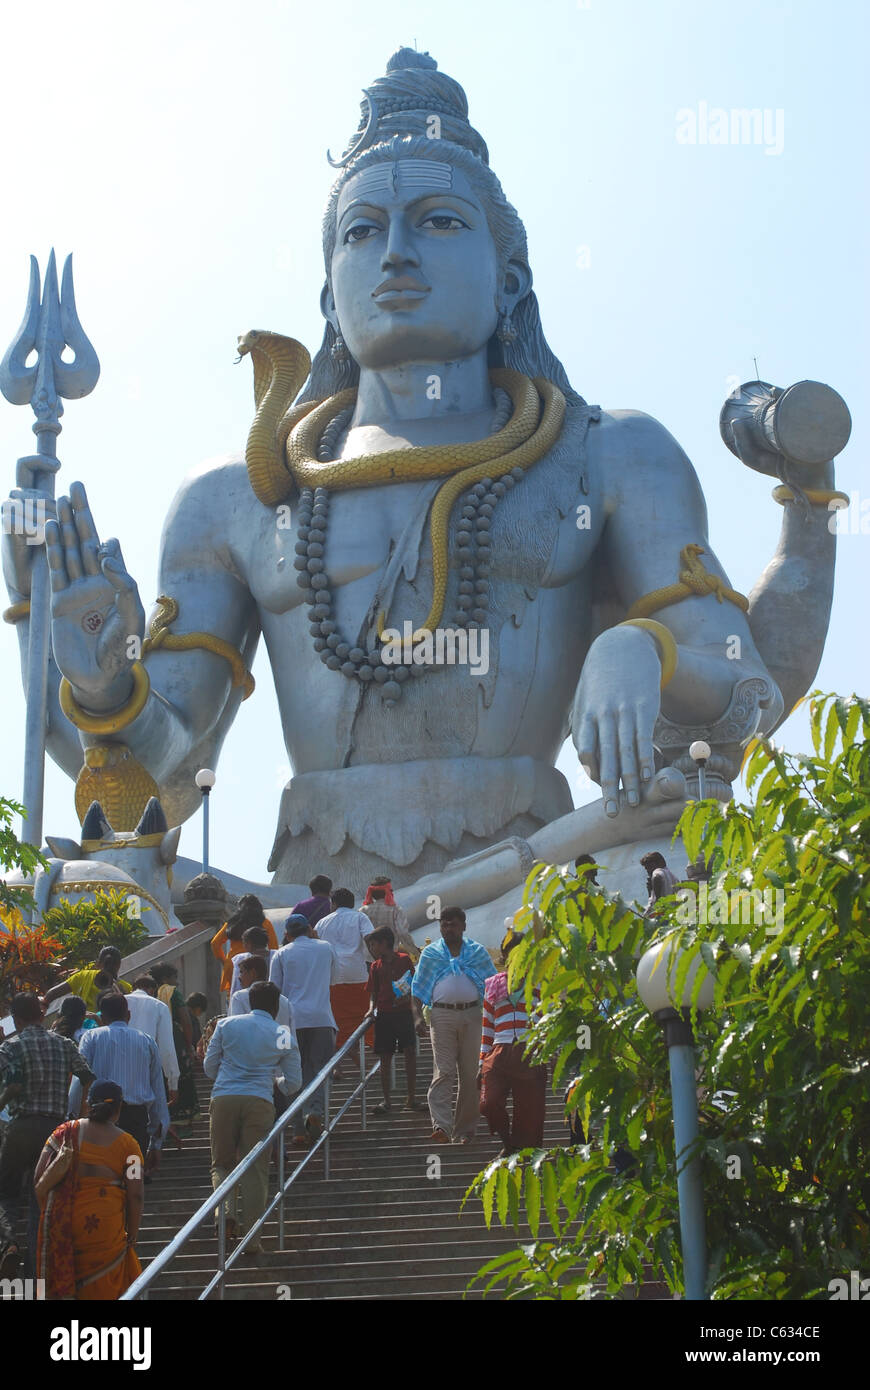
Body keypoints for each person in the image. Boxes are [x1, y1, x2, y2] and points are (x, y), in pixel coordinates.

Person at [0, 992, 95, 1278]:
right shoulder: (64, 1044)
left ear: (15, 1018)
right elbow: (87, 1076)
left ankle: (8, 1243)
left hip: (21, 1127)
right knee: (42, 1200)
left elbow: (14, 1086)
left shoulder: (10, 1047)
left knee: (5, 1194)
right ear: (43, 1015)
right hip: (55, 1132)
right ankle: (34, 1273)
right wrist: (80, 1114)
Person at [203, 981, 301, 1250]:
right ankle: (252, 1239)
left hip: (224, 1096)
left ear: (250, 1001)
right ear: (277, 1005)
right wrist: (275, 1082)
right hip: (260, 1099)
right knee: (256, 1170)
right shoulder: (281, 1032)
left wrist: (226, 1076)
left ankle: (225, 1214)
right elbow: (293, 1082)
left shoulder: (227, 1025)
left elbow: (209, 1067)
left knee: (222, 1164)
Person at [33, 1079, 144, 1300]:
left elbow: (39, 1178)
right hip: (105, 1230)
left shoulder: (64, 1132)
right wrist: (131, 1234)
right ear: (119, 1107)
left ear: (87, 1103)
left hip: (63, 1224)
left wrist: (56, 1212)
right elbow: (136, 1194)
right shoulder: (129, 1145)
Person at [411, 907, 497, 1144]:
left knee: (471, 1075)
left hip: (473, 1015)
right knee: (444, 1070)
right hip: (442, 1016)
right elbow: (417, 989)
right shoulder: (431, 954)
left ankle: (465, 1131)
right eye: (444, 925)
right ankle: (441, 1126)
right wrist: (418, 1018)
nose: (448, 929)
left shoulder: (477, 952)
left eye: (453, 925)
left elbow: (493, 988)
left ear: (464, 927)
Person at [77, 994, 170, 1170]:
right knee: (133, 1176)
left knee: (102, 1176)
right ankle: (134, 1193)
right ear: (128, 1015)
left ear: (102, 1018)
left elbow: (79, 1082)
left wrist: (75, 1118)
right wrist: (156, 1144)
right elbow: (158, 1090)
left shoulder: (91, 1038)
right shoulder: (146, 1040)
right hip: (135, 1123)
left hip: (98, 1121)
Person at [269, 916, 336, 1146]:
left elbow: (273, 991)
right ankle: (314, 1111)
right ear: (310, 929)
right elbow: (334, 978)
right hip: (322, 1018)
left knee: (290, 1071)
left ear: (287, 934)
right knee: (319, 1070)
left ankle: (297, 1127)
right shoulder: (326, 948)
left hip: (288, 1022)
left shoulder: (281, 954)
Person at [478, 930, 546, 1156]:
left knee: (531, 1108)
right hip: (500, 1050)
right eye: (510, 952)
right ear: (504, 956)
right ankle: (507, 1144)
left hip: (531, 1051)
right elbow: (487, 1025)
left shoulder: (540, 985)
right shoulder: (493, 985)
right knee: (489, 1103)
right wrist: (482, 1061)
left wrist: (549, 1050)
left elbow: (548, 1019)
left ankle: (523, 1152)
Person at [366, 927, 419, 1113]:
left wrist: (409, 1000)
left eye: (373, 944)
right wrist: (371, 1009)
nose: (371, 948)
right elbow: (373, 992)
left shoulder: (404, 960)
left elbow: (414, 983)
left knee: (410, 1053)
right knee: (385, 1057)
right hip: (385, 1015)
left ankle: (411, 1097)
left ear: (383, 943)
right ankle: (386, 1100)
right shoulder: (375, 966)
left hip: (404, 1013)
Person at [315, 888, 374, 1050]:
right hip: (358, 974)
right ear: (352, 903)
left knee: (337, 1019)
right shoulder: (360, 917)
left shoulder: (322, 922)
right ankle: (369, 1049)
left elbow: (316, 946)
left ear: (333, 903)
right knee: (363, 1014)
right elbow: (370, 938)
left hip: (332, 977)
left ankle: (339, 1062)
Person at [211, 895, 277, 1004]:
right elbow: (274, 947)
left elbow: (215, 943)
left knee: (234, 1000)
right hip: (257, 966)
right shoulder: (265, 923)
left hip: (234, 966)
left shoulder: (232, 923)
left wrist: (225, 961)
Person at [125, 974, 180, 1100]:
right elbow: (167, 1048)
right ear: (152, 990)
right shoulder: (159, 1006)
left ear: (133, 987)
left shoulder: (119, 1001)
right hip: (147, 1069)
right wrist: (173, 1083)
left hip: (118, 1069)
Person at [44, 945, 132, 1011]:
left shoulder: (83, 976)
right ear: (119, 965)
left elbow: (51, 993)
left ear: (98, 964)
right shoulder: (126, 987)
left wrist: (43, 1008)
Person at [230, 956, 294, 1034]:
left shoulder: (239, 997)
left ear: (253, 973)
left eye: (241, 972)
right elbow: (290, 1036)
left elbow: (235, 1030)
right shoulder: (285, 1001)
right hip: (280, 1045)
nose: (239, 977)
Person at [361, 878, 418, 960]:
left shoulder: (362, 911)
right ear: (388, 892)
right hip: (390, 959)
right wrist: (414, 951)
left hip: (369, 960)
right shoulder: (395, 910)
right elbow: (403, 933)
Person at [227, 925, 277, 1000]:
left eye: (244, 943)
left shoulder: (241, 959)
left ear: (248, 944)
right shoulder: (276, 955)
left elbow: (236, 985)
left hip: (249, 1000)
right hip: (273, 999)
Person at [640, 851, 679, 918]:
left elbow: (656, 903)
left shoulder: (656, 873)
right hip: (672, 915)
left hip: (661, 916)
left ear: (655, 864)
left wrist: (650, 890)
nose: (648, 872)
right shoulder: (674, 877)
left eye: (648, 868)